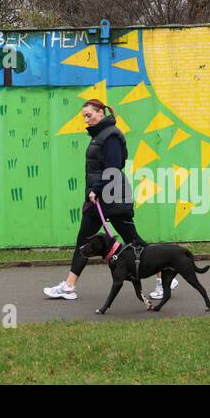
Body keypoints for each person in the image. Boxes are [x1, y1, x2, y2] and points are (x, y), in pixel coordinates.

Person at [44, 99, 151, 300]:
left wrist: (97, 189)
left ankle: (165, 275)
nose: (86, 119)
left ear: (101, 112)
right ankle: (68, 286)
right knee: (83, 242)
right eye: (84, 116)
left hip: (113, 197)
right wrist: (95, 192)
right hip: (98, 199)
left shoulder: (111, 136)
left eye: (89, 115)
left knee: (133, 241)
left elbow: (113, 168)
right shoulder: (99, 136)